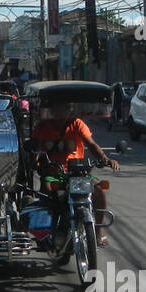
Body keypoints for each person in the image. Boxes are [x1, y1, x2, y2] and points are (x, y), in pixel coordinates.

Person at [31, 102, 119, 245]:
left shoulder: (77, 124)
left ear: (69, 110)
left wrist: (105, 159)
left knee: (99, 191)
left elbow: (91, 145)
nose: (60, 113)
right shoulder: (42, 127)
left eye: (63, 109)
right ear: (52, 111)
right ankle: (48, 229)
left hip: (77, 172)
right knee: (47, 191)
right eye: (57, 109)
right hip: (53, 172)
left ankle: (98, 230)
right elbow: (34, 148)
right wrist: (34, 160)